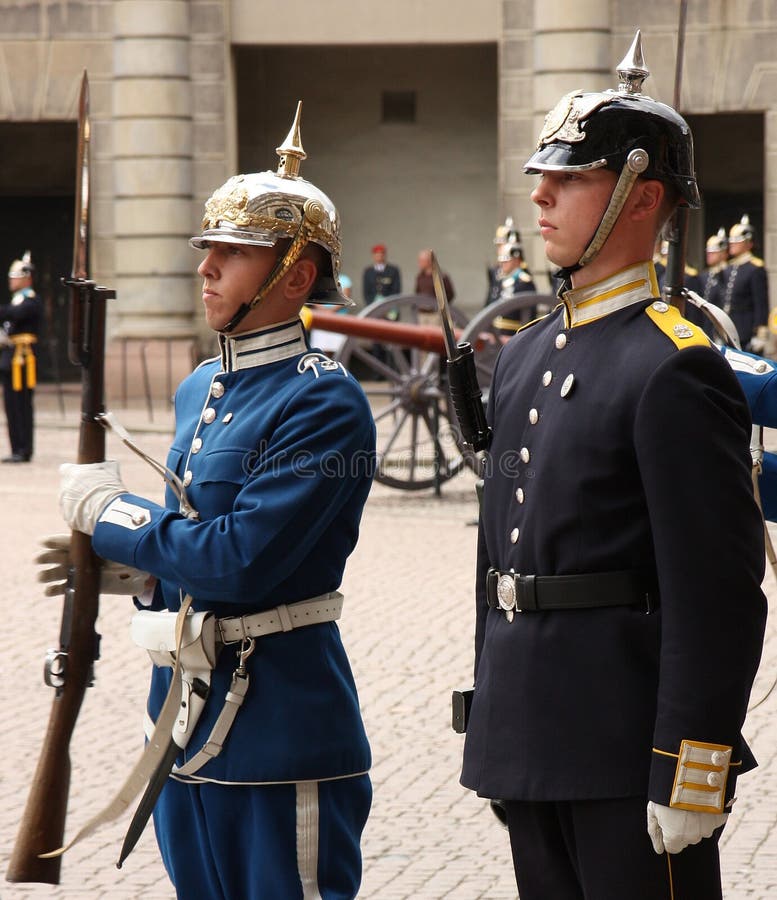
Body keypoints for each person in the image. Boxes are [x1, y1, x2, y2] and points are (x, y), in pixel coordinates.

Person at [460, 32, 767, 900]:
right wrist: (494, 722)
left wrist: (692, 765)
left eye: (570, 178)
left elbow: (715, 593)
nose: (539, 193)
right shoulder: (522, 355)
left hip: (627, 746)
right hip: (531, 733)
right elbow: (497, 560)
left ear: (642, 196)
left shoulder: (673, 365)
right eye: (542, 176)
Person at [50, 105, 376, 900]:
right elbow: (198, 533)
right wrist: (140, 573)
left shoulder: (323, 401)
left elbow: (239, 560)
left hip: (279, 724)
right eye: (210, 250)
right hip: (179, 717)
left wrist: (113, 517)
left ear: (294, 276)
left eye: (233, 253)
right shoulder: (202, 385)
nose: (207, 268)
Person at [0, 251, 41, 463]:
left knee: (22, 404)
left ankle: (24, 448)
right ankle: (17, 447)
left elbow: (15, 314)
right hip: (10, 358)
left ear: (26, 279)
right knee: (10, 405)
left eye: (15, 277)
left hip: (23, 360)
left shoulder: (30, 300)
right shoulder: (16, 301)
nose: (11, 281)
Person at [723, 214, 769, 352]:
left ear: (749, 243)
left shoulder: (755, 268)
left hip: (746, 330)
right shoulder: (729, 268)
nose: (732, 244)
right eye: (731, 241)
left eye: (737, 241)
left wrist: (760, 333)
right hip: (728, 327)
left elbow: (761, 303)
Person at [414, 248, 454, 314]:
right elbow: (417, 293)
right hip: (422, 313)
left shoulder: (442, 277)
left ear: (429, 261)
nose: (419, 263)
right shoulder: (420, 276)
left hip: (436, 313)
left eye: (421, 261)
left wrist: (440, 307)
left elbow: (450, 294)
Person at [701, 227, 729, 308]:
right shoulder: (703, 275)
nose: (709, 255)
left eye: (713, 253)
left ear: (723, 253)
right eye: (708, 252)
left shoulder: (728, 272)